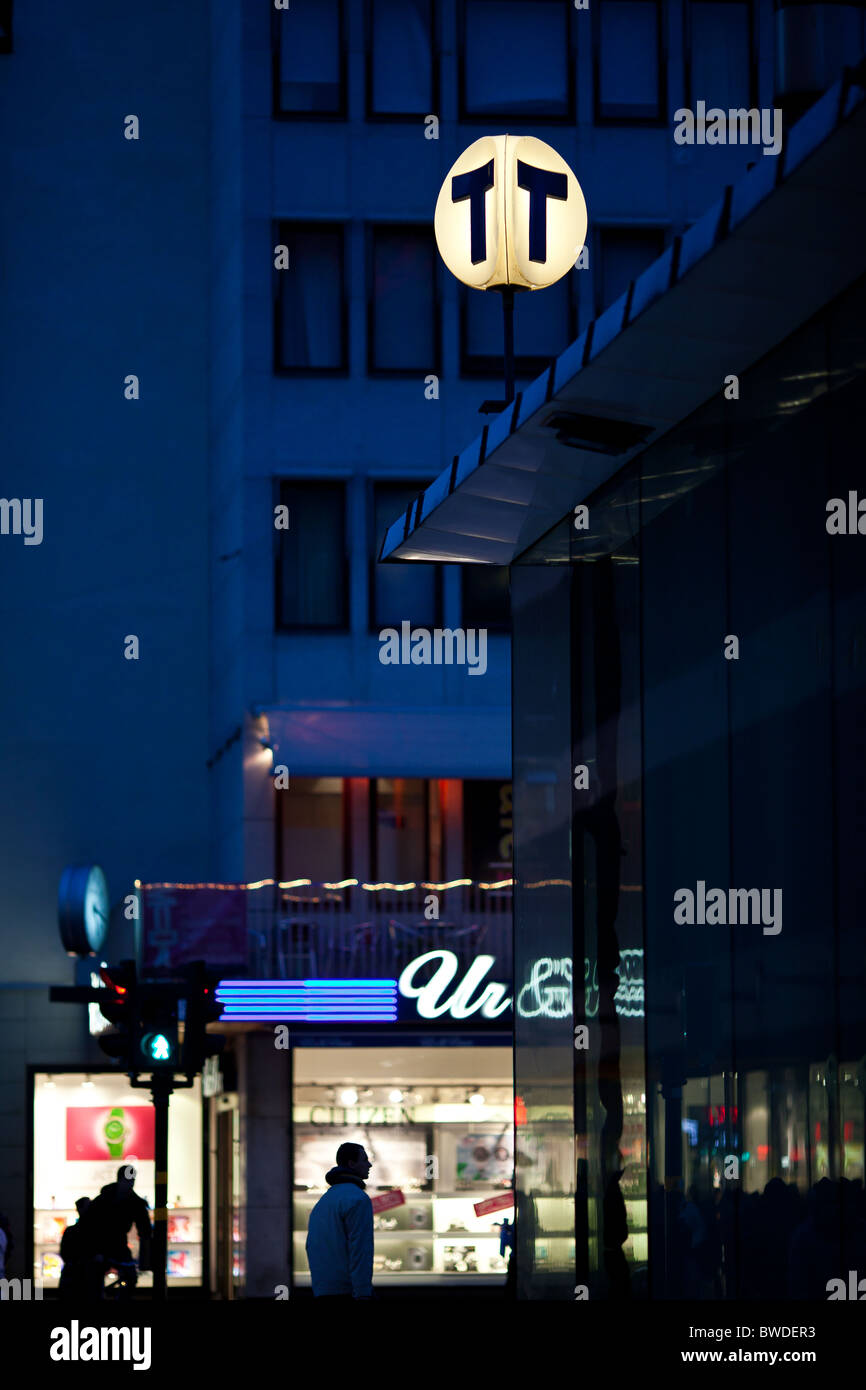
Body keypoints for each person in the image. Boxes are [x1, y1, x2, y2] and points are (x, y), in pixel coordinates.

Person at [305, 1143, 374, 1300]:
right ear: (351, 1163)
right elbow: (360, 1249)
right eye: (364, 1159)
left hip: (322, 1289)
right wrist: (363, 1292)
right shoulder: (357, 1199)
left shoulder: (323, 1202)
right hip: (347, 1290)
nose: (369, 1164)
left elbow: (312, 1246)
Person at [83, 1165, 152, 1296]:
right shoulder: (132, 1201)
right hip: (106, 1245)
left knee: (102, 1280)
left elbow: (145, 1229)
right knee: (127, 1277)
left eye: (131, 1181)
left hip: (108, 1244)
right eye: (129, 1180)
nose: (130, 1184)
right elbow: (145, 1230)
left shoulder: (106, 1198)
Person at [58, 1197, 100, 1300]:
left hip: (76, 1275)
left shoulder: (71, 1231)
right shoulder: (95, 1231)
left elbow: (65, 1253)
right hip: (85, 1276)